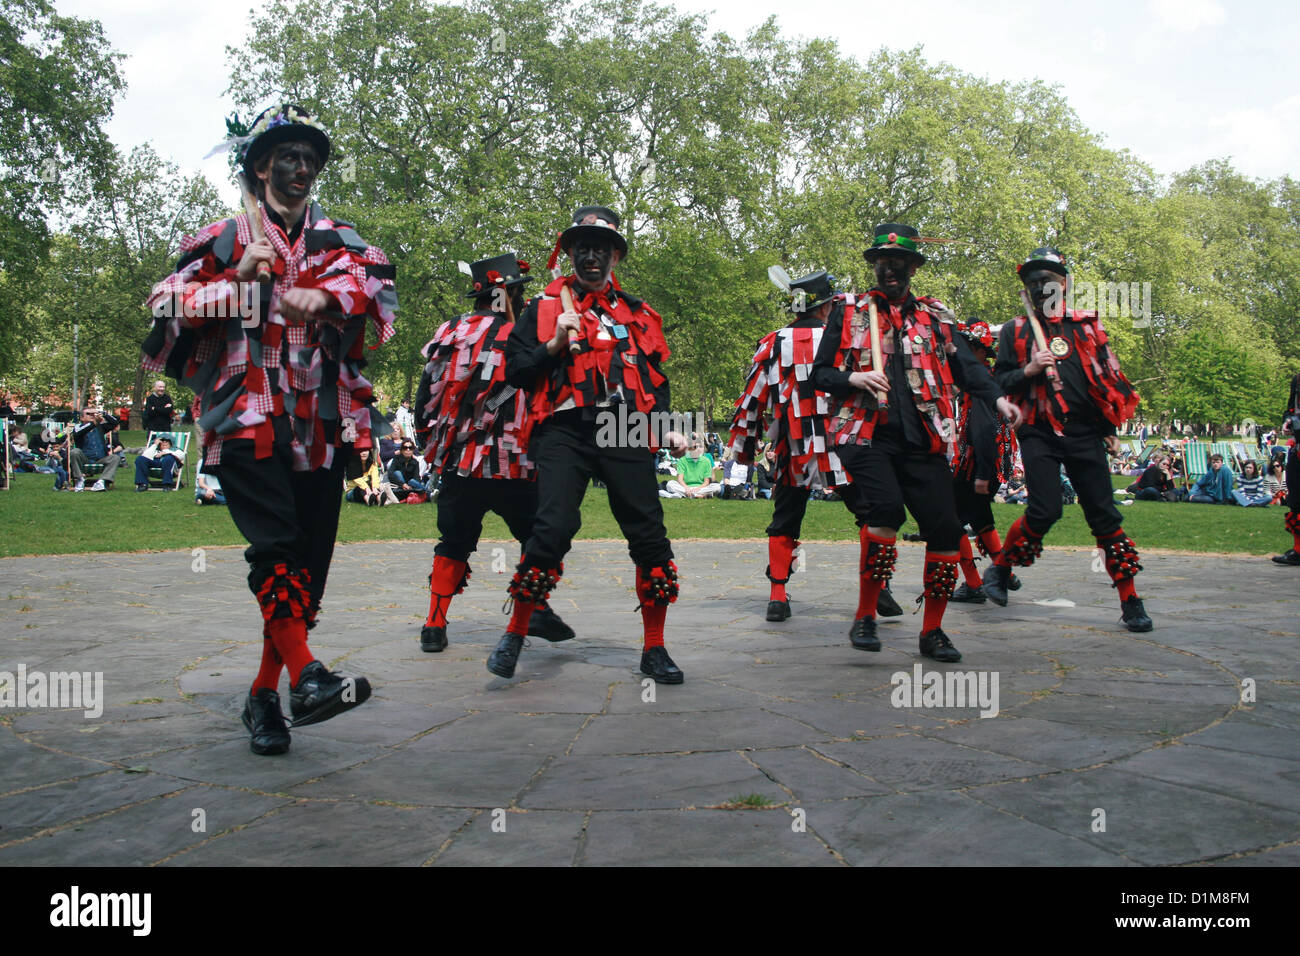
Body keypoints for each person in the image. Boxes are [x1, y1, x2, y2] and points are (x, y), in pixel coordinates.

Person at [143, 103, 397, 755]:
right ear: (261, 166)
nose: (301, 167)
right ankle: (310, 676)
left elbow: (378, 289)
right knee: (278, 548)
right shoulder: (226, 234)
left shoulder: (337, 240)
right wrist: (232, 282)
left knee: (305, 568)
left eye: (310, 158)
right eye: (288, 155)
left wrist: (330, 297)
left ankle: (264, 696)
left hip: (318, 423)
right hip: (245, 415)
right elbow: (164, 305)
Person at [812, 224, 1022, 662]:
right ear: (874, 267)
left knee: (945, 528)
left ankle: (932, 631)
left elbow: (968, 366)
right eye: (881, 263)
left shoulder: (933, 318)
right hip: (865, 432)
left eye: (898, 263)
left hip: (922, 436)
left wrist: (999, 399)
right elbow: (820, 375)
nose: (889, 271)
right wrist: (854, 377)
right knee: (886, 509)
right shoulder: (848, 311)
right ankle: (866, 615)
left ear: (912, 267)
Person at [497, 205, 687, 683]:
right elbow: (516, 372)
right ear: (570, 253)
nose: (591, 257)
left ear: (614, 256)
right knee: (551, 527)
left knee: (648, 533)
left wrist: (664, 424)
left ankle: (655, 648)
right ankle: (516, 632)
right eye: (582, 248)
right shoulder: (543, 307)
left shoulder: (639, 313)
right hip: (566, 428)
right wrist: (553, 347)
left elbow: (655, 379)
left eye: (601, 249)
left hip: (624, 426)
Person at [982, 246, 1150, 632]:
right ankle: (1002, 568)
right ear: (1026, 288)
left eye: (1049, 280)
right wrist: (1028, 369)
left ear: (1065, 284)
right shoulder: (1015, 330)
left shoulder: (1086, 326)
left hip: (1084, 431)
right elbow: (997, 383)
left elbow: (1105, 381)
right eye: (1034, 281)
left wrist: (1108, 429)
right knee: (1045, 511)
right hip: (1038, 430)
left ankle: (1130, 600)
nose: (1042, 287)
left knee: (1104, 514)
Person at [413, 252, 572, 652]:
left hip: (460, 466)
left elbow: (425, 398)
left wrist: (430, 444)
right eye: (518, 292)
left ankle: (434, 624)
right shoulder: (527, 335)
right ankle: (536, 607)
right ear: (508, 294)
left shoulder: (448, 332)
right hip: (516, 465)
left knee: (453, 541)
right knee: (541, 536)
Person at [729, 269, 903, 621]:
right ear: (826, 307)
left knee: (786, 517)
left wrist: (744, 448)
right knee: (871, 514)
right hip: (845, 444)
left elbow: (753, 399)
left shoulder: (772, 342)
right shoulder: (846, 340)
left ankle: (778, 595)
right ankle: (879, 588)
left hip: (795, 449)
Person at [948, 320, 1023, 603]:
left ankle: (974, 583)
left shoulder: (980, 385)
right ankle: (1004, 572)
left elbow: (982, 429)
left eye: (968, 349)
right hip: (987, 463)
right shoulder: (990, 380)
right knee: (981, 518)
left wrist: (981, 472)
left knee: (950, 522)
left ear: (979, 352)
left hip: (977, 465)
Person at [1272, 371, 1300, 564]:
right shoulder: (1297, 380)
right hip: (1298, 448)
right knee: (1296, 500)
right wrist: (1287, 421)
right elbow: (1290, 409)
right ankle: (1298, 550)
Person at [69, 408, 122, 492]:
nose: (92, 415)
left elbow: (115, 422)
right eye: (88, 414)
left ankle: (101, 482)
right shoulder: (78, 427)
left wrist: (103, 414)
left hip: (100, 459)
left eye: (94, 414)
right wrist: (94, 423)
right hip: (84, 459)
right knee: (74, 452)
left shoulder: (100, 427)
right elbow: (79, 433)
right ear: (82, 418)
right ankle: (79, 479)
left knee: (115, 458)